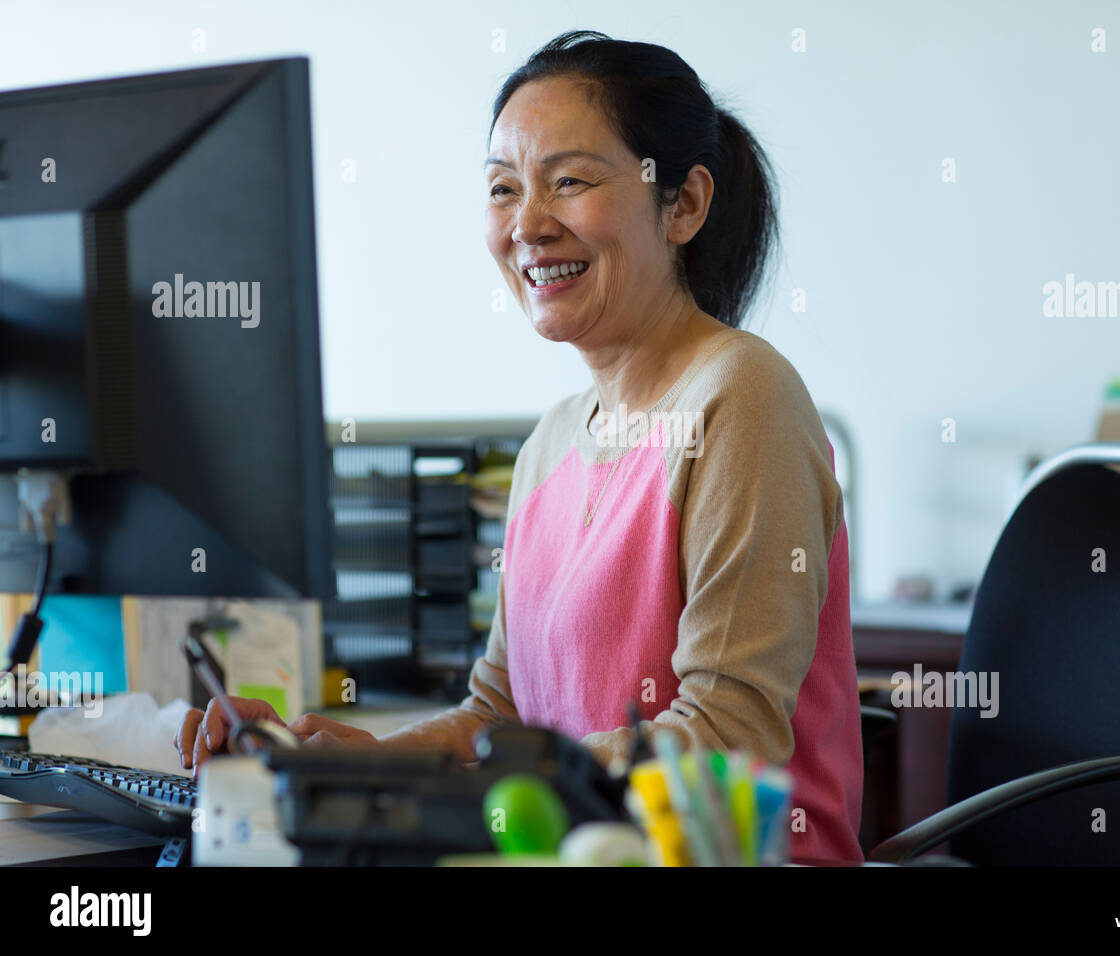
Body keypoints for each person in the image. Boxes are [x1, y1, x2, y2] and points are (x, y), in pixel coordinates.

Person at [175, 29, 863, 863]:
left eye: (569, 182)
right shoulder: (550, 445)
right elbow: (497, 716)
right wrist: (357, 766)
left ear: (681, 204)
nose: (528, 225)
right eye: (504, 190)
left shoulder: (742, 397)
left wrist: (471, 788)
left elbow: (723, 742)